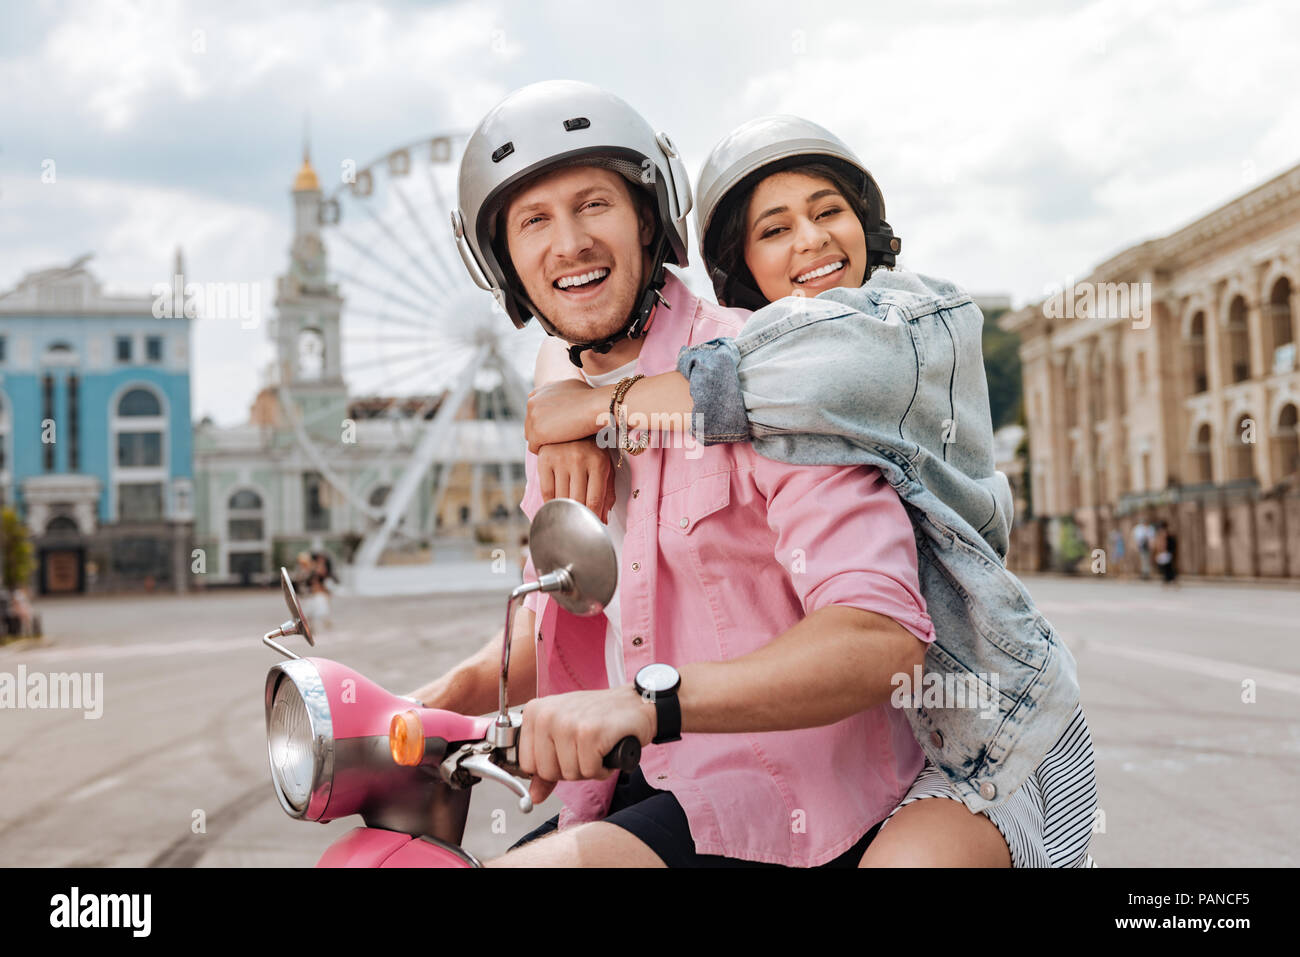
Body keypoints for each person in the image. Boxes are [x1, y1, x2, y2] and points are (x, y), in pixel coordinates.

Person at [526, 115, 1096, 867]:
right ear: (744, 268)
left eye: (829, 212)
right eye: (776, 229)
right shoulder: (769, 376)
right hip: (888, 731)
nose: (811, 240)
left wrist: (593, 402)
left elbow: (770, 377)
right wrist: (566, 379)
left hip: (989, 733)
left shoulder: (909, 324)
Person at [409, 81, 945, 868]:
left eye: (594, 205)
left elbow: (879, 637)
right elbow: (563, 611)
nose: (569, 243)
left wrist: (645, 705)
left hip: (788, 799)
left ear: (649, 218)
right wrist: (437, 700)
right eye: (534, 221)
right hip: (629, 787)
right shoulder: (559, 418)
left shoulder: (768, 373)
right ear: (504, 263)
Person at [1155, 520, 1178, 586]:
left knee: (1167, 567)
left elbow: (1163, 543)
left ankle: (1169, 579)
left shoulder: (1164, 533)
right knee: (1167, 566)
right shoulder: (1166, 533)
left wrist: (1161, 551)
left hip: (1166, 552)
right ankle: (1169, 579)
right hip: (1168, 552)